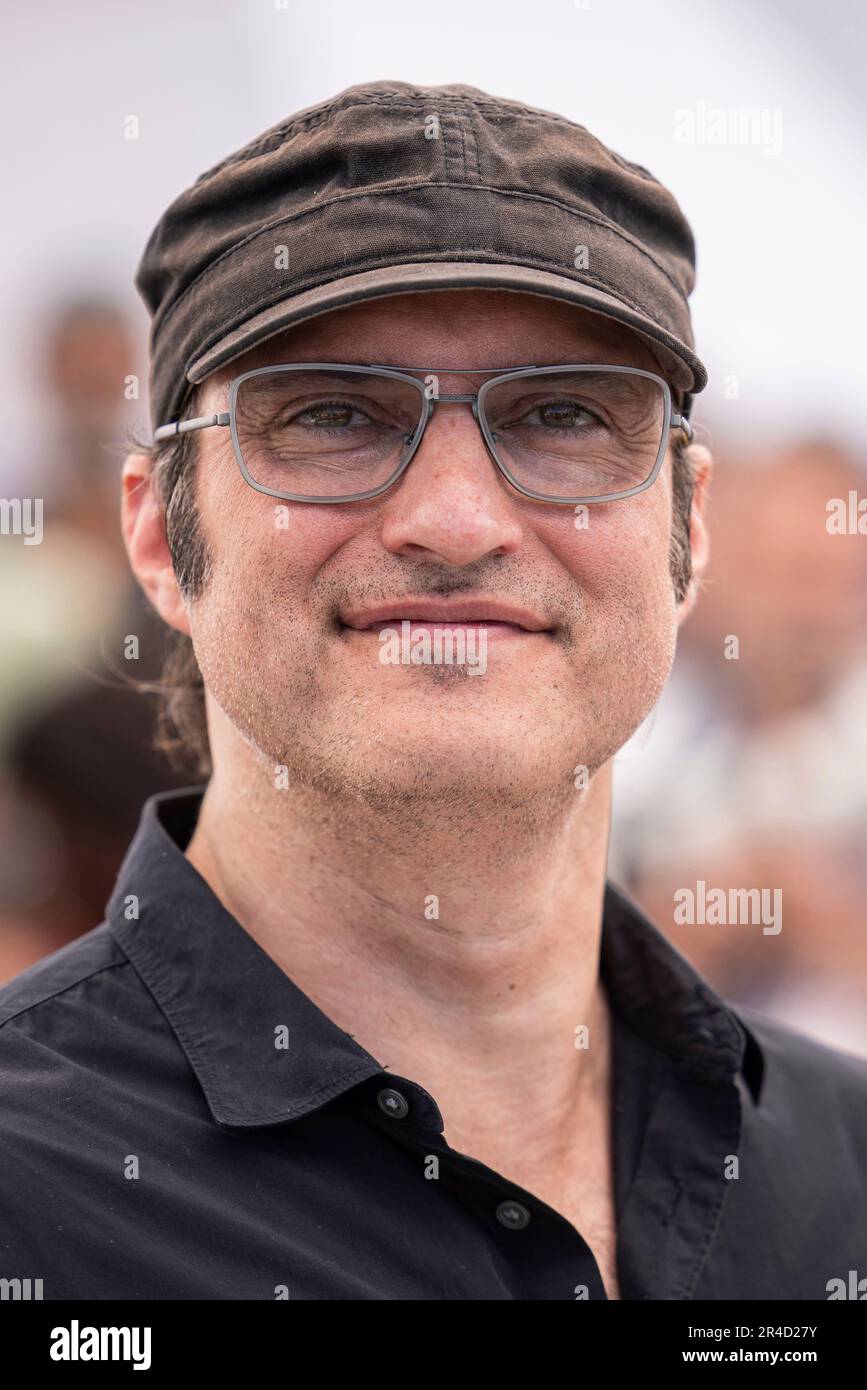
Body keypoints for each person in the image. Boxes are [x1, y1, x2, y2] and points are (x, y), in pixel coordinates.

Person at [0, 80, 863, 1302]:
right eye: (335, 415)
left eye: (564, 414)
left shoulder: (845, 1181)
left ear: (689, 530)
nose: (455, 520)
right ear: (159, 538)